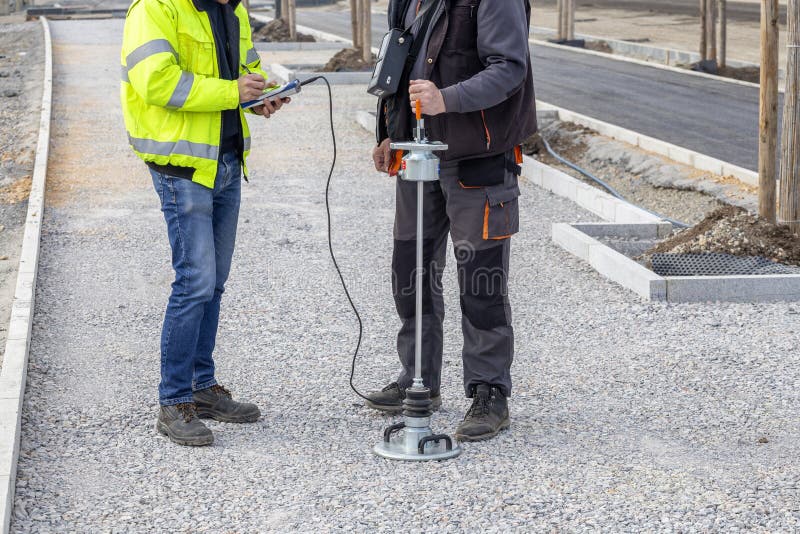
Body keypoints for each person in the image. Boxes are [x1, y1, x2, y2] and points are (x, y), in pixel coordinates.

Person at [121, 0, 288, 446]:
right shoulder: (155, 9)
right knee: (194, 282)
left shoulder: (232, 11)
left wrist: (262, 97)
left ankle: (202, 387)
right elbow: (158, 82)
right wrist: (235, 93)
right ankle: (174, 401)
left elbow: (245, 72)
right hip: (182, 167)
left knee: (213, 284)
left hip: (226, 162)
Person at [369, 0, 537, 442]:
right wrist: (388, 132)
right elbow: (399, 63)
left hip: (478, 158)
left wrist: (447, 99)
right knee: (411, 270)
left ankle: (489, 391)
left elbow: (509, 67)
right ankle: (418, 378)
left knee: (482, 279)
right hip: (417, 155)